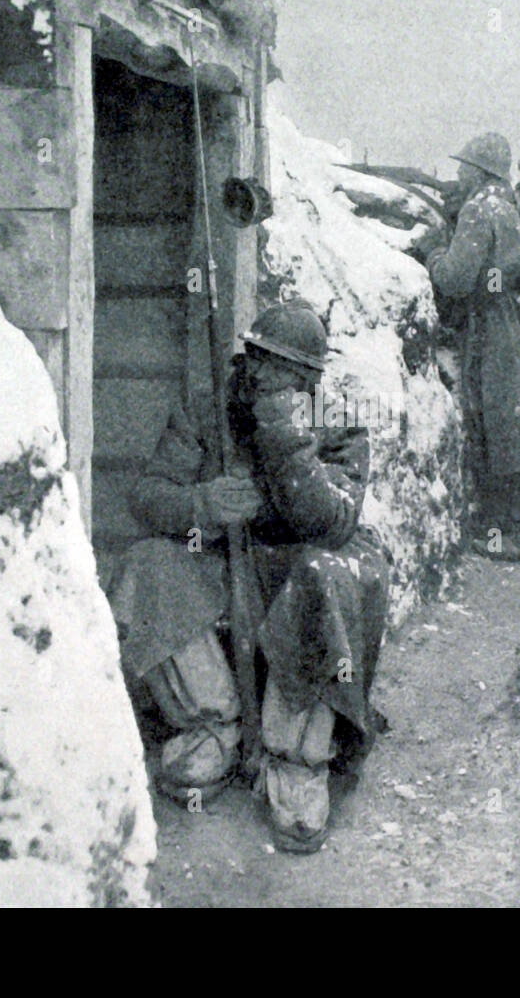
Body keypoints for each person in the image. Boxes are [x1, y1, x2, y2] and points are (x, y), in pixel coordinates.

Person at [109, 300, 389, 853]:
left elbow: (329, 522)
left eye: (283, 371)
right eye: (257, 360)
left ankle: (296, 762)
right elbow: (146, 497)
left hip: (302, 568)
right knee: (149, 564)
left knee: (330, 576)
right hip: (222, 564)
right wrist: (201, 504)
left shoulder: (339, 423)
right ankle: (210, 727)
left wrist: (283, 436)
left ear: (310, 381)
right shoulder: (208, 409)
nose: (262, 377)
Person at [425, 132, 520, 560]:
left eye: (464, 166)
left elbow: (457, 279)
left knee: (513, 423)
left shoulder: (479, 208)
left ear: (480, 170)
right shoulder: (516, 205)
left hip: (500, 327)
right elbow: (512, 268)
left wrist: (434, 254)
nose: (458, 173)